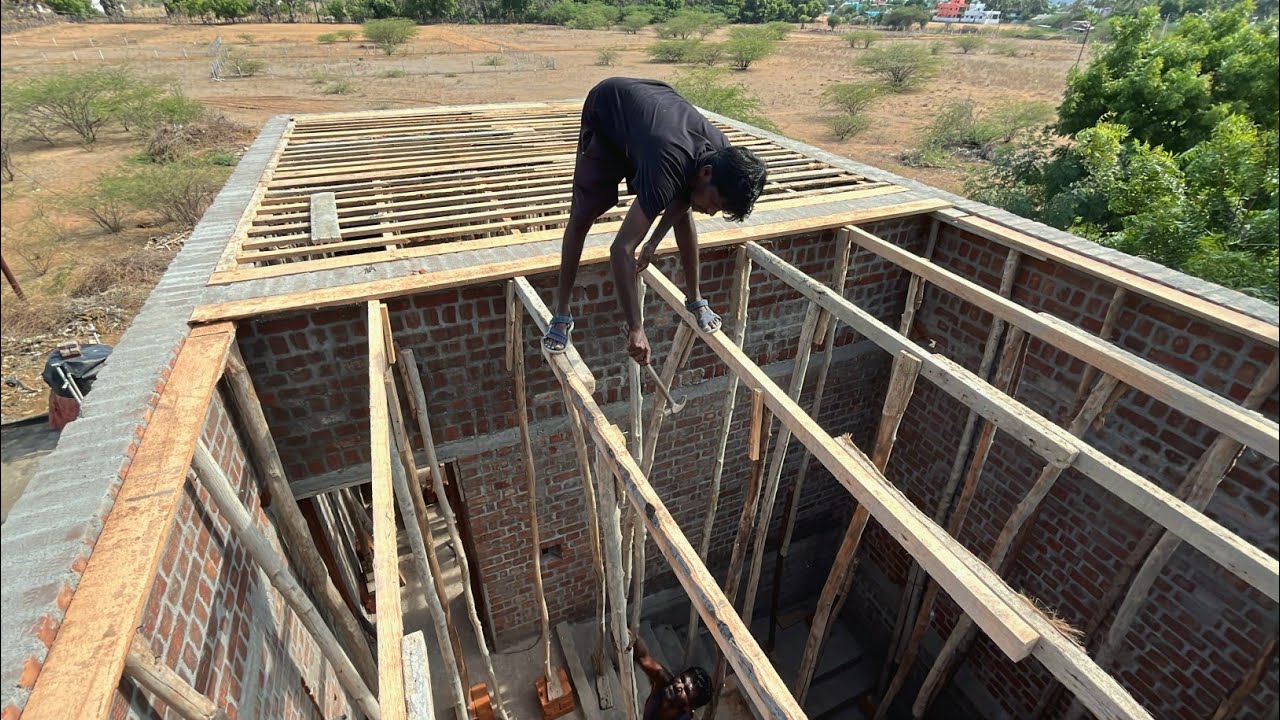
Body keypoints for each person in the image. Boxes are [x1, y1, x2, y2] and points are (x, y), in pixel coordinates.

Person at [542, 77, 769, 366]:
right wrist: (636, 328)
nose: (711, 212)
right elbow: (621, 249)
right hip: (608, 109)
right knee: (583, 214)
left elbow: (684, 199)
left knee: (687, 200)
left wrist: (652, 243)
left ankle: (695, 298)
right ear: (706, 174)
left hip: (651, 117)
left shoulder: (723, 155)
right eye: (714, 203)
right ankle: (562, 314)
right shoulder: (667, 163)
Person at [629, 630, 714, 720]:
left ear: (689, 708)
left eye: (686, 691)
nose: (678, 686)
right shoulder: (662, 680)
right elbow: (642, 657)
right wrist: (632, 638)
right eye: (682, 679)